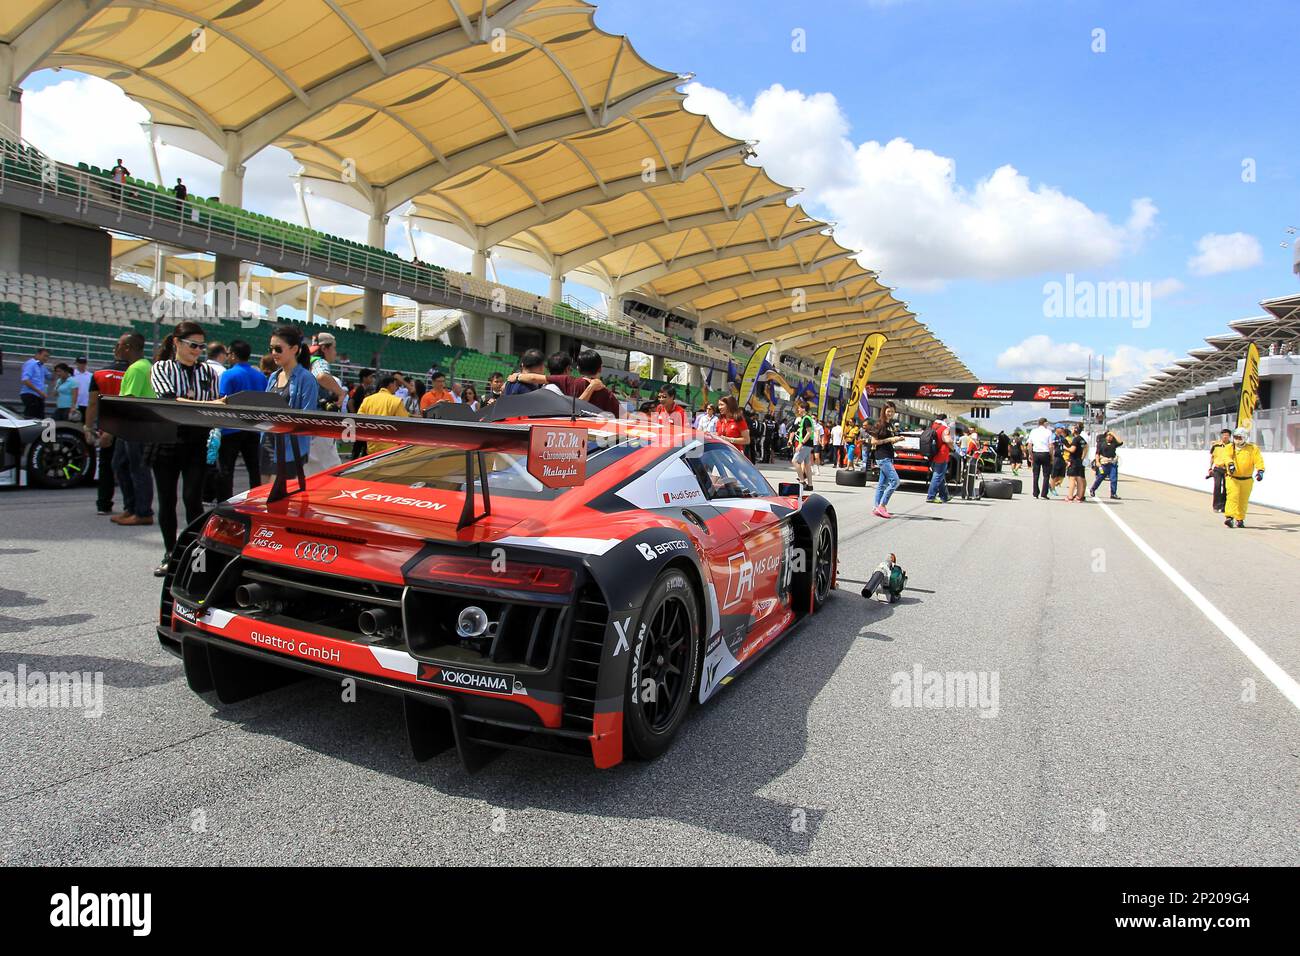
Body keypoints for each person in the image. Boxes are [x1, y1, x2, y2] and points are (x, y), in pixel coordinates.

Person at [148, 320, 220, 576]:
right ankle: (170, 553)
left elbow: (213, 404)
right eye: (193, 345)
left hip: (197, 439)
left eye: (201, 346)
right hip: (167, 437)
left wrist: (205, 405)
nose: (197, 350)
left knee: (193, 499)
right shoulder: (162, 367)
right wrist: (204, 404)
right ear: (177, 343)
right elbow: (168, 400)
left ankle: (194, 553)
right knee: (167, 500)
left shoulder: (208, 372)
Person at [109, 333, 156, 527]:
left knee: (138, 469)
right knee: (119, 464)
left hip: (136, 427)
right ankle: (131, 507)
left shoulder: (137, 369)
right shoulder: (142, 366)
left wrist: (110, 429)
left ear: (127, 347)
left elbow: (128, 402)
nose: (115, 348)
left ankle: (143, 512)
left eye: (118, 344)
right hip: (134, 427)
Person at [263, 324, 322, 478]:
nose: (274, 353)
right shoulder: (273, 377)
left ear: (294, 349)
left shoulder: (306, 379)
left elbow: (308, 417)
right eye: (271, 349)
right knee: (262, 493)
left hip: (290, 448)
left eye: (278, 349)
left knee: (281, 495)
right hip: (268, 443)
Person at [215, 340, 267, 502]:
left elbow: (222, 399)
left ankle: (225, 502)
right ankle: (256, 500)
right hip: (253, 428)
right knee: (254, 468)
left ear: (234, 356)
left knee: (226, 469)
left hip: (231, 428)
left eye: (229, 354)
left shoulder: (228, 375)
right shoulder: (259, 376)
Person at [85, 336, 130, 515]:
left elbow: (92, 404)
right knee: (130, 467)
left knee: (106, 465)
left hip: (106, 427)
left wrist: (88, 427)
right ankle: (130, 506)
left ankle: (103, 504)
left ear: (114, 350)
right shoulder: (137, 373)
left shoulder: (99, 373)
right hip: (130, 427)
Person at [1223, 427, 1265, 529]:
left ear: (1245, 438)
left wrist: (1260, 470)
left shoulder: (1252, 448)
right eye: (1236, 437)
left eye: (1240, 437)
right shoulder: (1230, 447)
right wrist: (1230, 464)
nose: (1237, 440)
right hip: (1232, 478)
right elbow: (1226, 456)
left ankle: (1240, 519)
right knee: (1232, 497)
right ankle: (1229, 517)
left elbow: (1258, 459)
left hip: (1247, 479)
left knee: (1243, 500)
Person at [868, 402, 904, 518]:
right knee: (895, 481)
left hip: (888, 455)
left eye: (892, 411)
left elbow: (888, 440)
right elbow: (873, 442)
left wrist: (897, 439)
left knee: (882, 484)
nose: (890, 413)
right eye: (888, 411)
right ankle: (882, 506)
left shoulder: (890, 424)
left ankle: (876, 507)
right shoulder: (880, 424)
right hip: (882, 457)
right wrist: (890, 439)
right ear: (883, 411)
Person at [357, 374, 409, 453]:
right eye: (396, 385)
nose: (397, 387)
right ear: (390, 384)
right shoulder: (396, 401)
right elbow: (405, 425)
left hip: (371, 447)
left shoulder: (367, 400)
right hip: (391, 448)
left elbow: (359, 421)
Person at [309, 332, 348, 412]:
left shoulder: (307, 362)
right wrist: (341, 393)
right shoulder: (320, 362)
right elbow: (322, 376)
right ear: (324, 349)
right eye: (334, 348)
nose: (335, 352)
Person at [924, 414, 953, 503]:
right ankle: (931, 496)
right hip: (942, 454)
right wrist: (953, 447)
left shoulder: (932, 426)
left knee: (940, 475)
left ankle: (945, 496)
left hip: (933, 454)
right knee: (938, 475)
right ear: (945, 419)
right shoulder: (944, 428)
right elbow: (947, 440)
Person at [1090, 427, 1124, 499]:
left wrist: (1114, 434)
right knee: (1100, 477)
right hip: (1104, 463)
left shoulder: (1114, 443)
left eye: (1111, 436)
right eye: (1108, 435)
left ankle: (1113, 493)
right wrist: (1097, 462)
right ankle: (1093, 489)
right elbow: (1097, 453)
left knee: (1113, 478)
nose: (1110, 437)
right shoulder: (1101, 443)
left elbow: (1121, 442)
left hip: (1112, 463)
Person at [790, 400, 817, 491]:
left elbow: (809, 432)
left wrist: (801, 444)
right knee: (807, 464)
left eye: (799, 408)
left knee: (795, 461)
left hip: (805, 444)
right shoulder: (806, 418)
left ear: (803, 409)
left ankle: (802, 481)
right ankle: (810, 485)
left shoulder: (806, 419)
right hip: (809, 445)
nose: (798, 409)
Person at [19, 347, 49, 419]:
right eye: (44, 356)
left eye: (48, 356)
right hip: (30, 394)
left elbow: (50, 377)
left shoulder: (42, 366)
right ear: (38, 354)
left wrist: (56, 369)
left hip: (38, 396)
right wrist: (39, 392)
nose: (46, 358)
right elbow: (25, 380)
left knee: (40, 418)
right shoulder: (31, 364)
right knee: (31, 418)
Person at [1206, 428, 1232, 513]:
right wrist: (1210, 468)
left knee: (1226, 487)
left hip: (1227, 469)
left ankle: (1224, 506)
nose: (1225, 437)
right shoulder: (1216, 445)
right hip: (1217, 468)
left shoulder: (1232, 446)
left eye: (1227, 435)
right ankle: (1216, 506)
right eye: (1224, 435)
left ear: (1229, 437)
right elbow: (1212, 457)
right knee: (1217, 486)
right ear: (1221, 436)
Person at [1027, 417, 1053, 499]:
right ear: (1045, 423)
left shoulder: (1033, 431)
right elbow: (1051, 446)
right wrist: (1052, 456)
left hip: (1036, 453)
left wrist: (1030, 455)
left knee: (1035, 474)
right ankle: (1044, 493)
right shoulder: (1048, 432)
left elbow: (1029, 445)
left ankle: (1035, 492)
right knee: (1046, 475)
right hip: (1045, 453)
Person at [1065, 424, 1088, 502]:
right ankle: (1079, 496)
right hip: (1079, 461)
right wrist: (1082, 457)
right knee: (1080, 479)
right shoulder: (1081, 439)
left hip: (1074, 460)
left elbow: (1072, 449)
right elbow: (1086, 447)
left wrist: (1065, 448)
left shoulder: (1075, 439)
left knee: (1072, 479)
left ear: (1075, 430)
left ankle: (1070, 496)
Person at [72, 357, 92, 422]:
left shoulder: (90, 375)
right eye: (80, 363)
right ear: (76, 363)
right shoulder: (72, 374)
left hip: (86, 404)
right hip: (74, 404)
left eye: (84, 363)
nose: (82, 365)